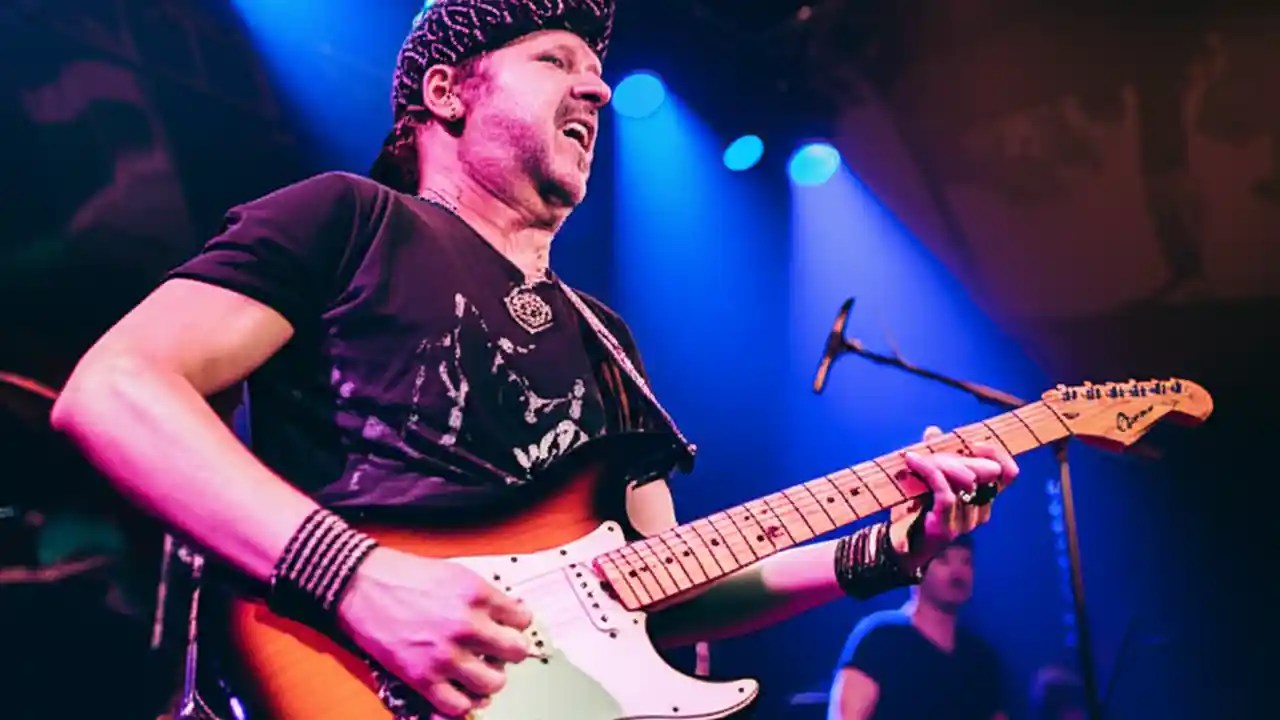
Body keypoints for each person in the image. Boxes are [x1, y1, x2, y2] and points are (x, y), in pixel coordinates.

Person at [48, 1, 1020, 718]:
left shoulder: (607, 341)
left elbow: (656, 587)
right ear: (445, 93)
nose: (594, 86)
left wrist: (881, 551)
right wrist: (355, 577)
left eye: (593, 70)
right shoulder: (348, 220)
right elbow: (117, 390)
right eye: (555, 59)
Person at [827, 534, 1007, 720]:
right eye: (943, 560)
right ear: (916, 568)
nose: (957, 572)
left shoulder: (981, 657)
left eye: (966, 562)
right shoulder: (881, 640)